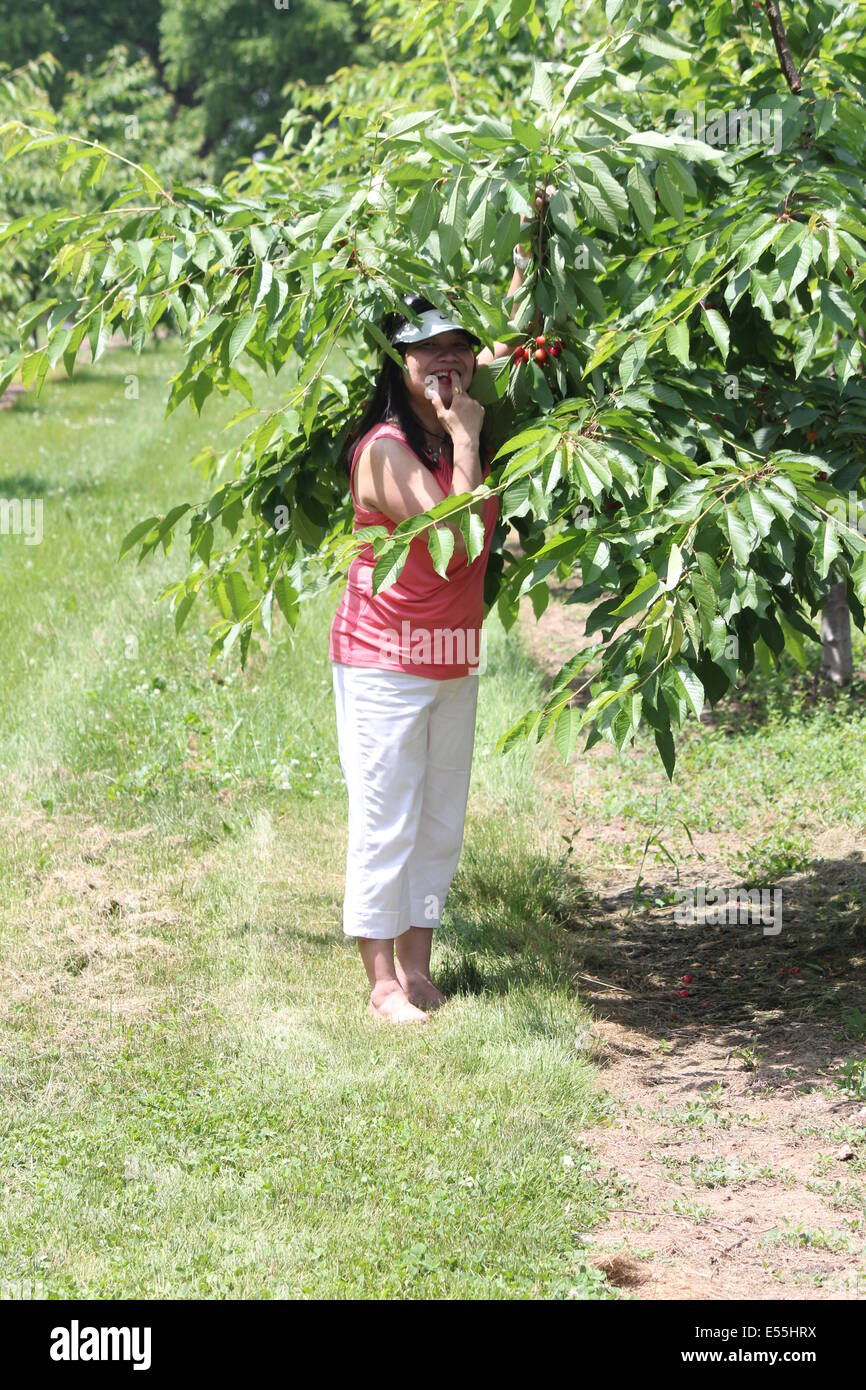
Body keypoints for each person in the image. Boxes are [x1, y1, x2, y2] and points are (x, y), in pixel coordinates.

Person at [329, 235, 534, 1025]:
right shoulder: (386, 448)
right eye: (427, 350)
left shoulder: (452, 415)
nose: (446, 362)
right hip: (385, 656)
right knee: (387, 812)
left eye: (460, 348)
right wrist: (469, 437)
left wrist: (529, 236)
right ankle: (380, 981)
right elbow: (460, 537)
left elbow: (520, 337)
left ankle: (417, 967)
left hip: (453, 655)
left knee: (441, 816)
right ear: (399, 362)